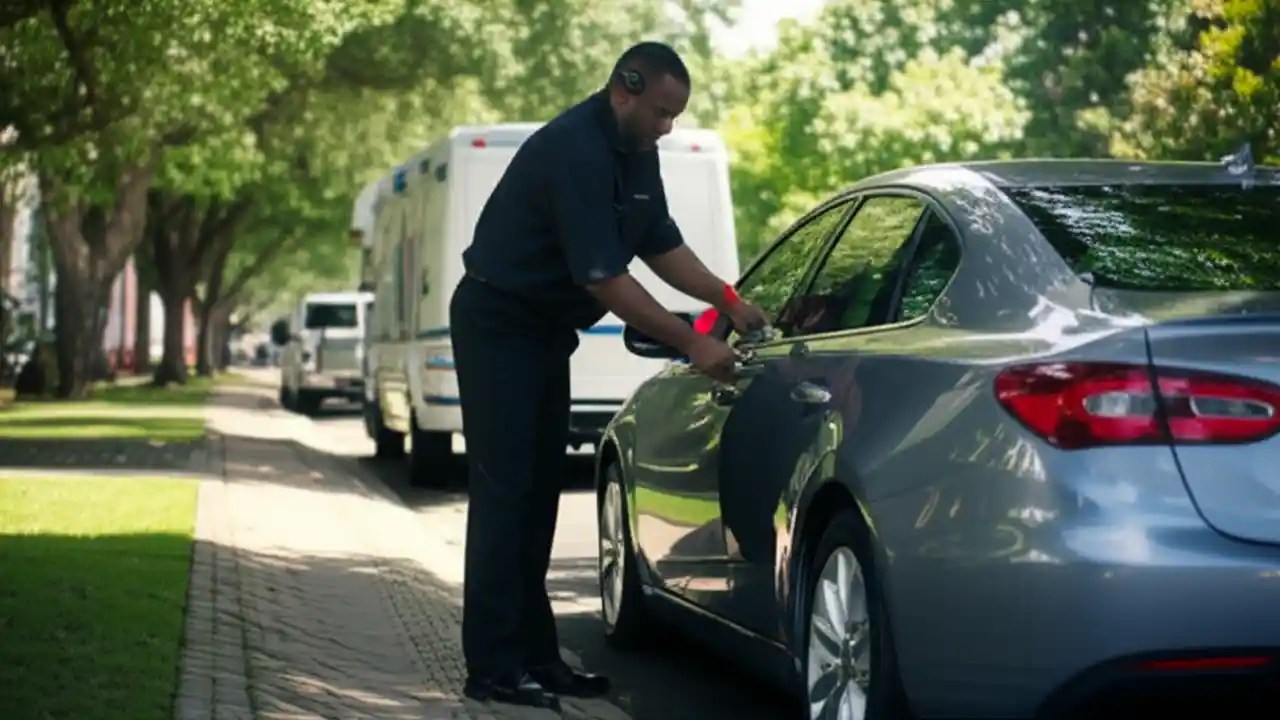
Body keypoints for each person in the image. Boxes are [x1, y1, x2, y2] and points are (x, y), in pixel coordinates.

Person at [448, 41, 769, 710]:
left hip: (541, 334)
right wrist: (691, 344)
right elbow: (603, 278)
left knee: (538, 495)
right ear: (624, 87)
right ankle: (493, 667)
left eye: (675, 115)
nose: (667, 127)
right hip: (498, 324)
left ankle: (540, 657)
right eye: (660, 111)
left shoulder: (634, 149)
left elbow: (660, 244)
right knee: (507, 495)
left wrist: (727, 299)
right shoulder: (576, 150)